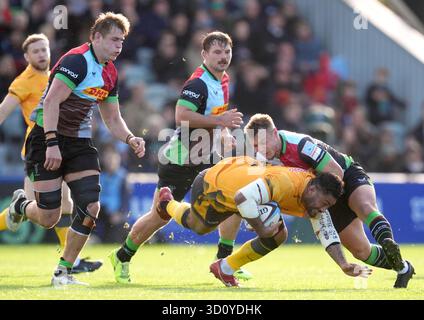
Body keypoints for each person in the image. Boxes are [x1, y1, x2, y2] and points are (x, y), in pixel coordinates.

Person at [6, 12, 145, 287]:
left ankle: (63, 272)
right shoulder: (76, 61)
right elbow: (51, 103)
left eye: (122, 41)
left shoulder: (110, 73)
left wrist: (130, 139)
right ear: (95, 37)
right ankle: (22, 204)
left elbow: (112, 118)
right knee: (49, 217)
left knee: (91, 205)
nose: (119, 46)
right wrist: (52, 143)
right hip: (45, 139)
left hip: (80, 144)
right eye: (114, 40)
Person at [109, 31, 245, 284]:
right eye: (217, 52)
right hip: (179, 161)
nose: (223, 57)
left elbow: (218, 115)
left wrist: (224, 132)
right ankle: (122, 256)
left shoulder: (223, 80)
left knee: (233, 202)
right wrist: (219, 122)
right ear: (204, 55)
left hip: (205, 157)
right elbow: (181, 116)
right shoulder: (198, 83)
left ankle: (225, 263)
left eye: (227, 52)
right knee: (158, 218)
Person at [243, 113, 415, 288]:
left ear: (274, 133)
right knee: (361, 251)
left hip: (347, 176)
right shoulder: (262, 162)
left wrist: (314, 196)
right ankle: (403, 267)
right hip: (326, 197)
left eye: (262, 143)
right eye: (255, 146)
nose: (259, 150)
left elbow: (336, 172)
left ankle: (387, 241)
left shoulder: (301, 145)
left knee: (364, 207)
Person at [156, 156, 370, 287]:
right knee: (199, 226)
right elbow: (242, 198)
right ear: (313, 189)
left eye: (327, 207)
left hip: (240, 186)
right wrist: (261, 228)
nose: (323, 209)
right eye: (323, 203)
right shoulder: (286, 183)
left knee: (277, 234)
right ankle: (167, 204)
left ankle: (225, 268)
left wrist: (343, 264)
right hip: (214, 183)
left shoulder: (313, 195)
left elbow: (326, 231)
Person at [0, 33, 102, 274]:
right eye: (35, 51)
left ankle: (72, 262)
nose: (41, 54)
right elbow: (4, 110)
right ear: (26, 57)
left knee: (64, 205)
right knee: (37, 210)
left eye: (44, 49)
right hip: (39, 149)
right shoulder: (24, 81)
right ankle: (72, 261)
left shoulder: (57, 75)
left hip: (61, 146)